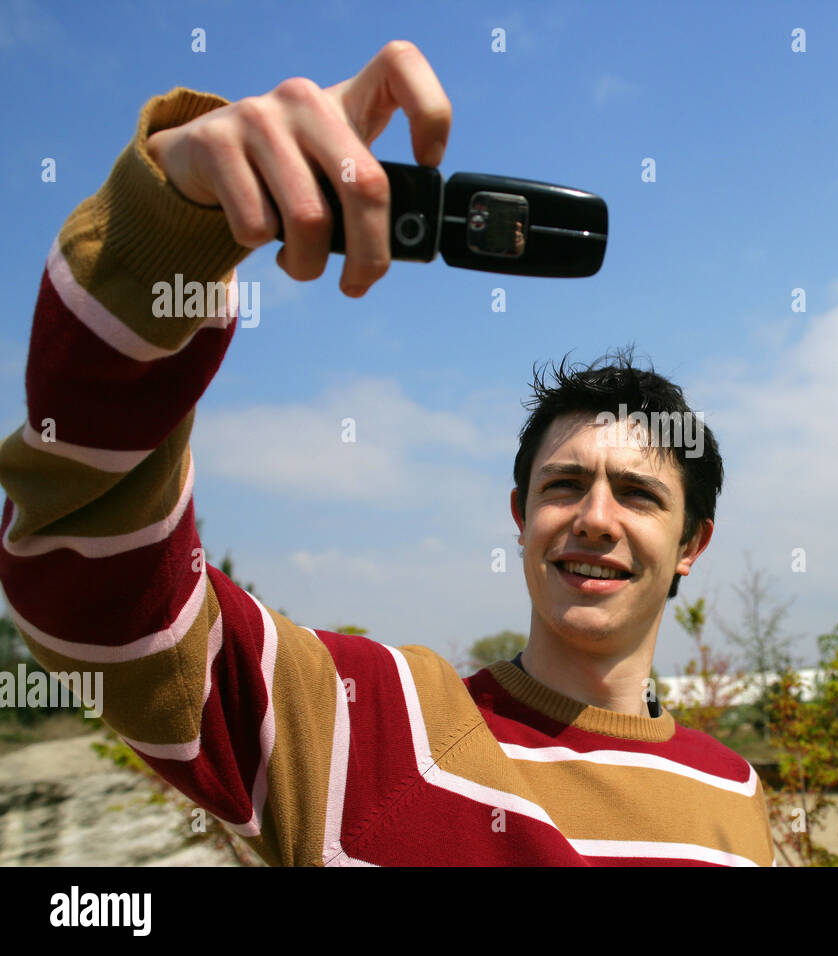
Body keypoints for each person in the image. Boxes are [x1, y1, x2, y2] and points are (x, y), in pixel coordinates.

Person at [0, 40, 775, 866]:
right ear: (519, 517)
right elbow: (96, 587)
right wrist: (175, 226)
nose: (593, 518)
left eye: (639, 495)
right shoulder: (363, 724)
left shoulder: (736, 798)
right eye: (563, 484)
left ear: (694, 544)